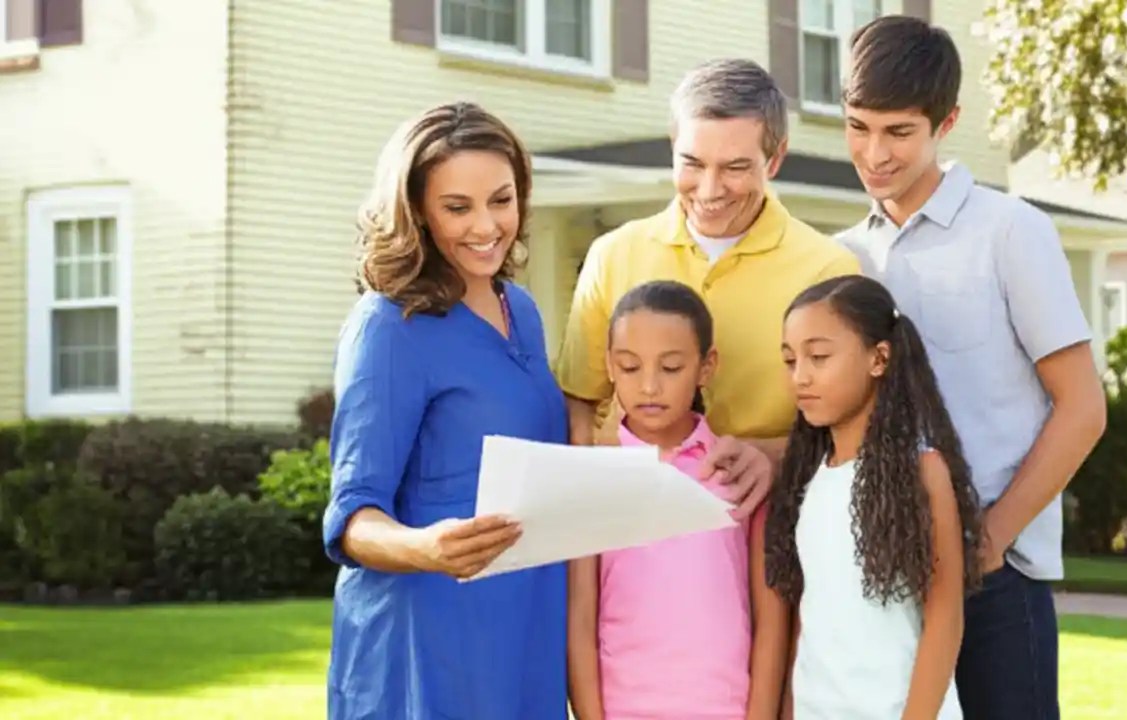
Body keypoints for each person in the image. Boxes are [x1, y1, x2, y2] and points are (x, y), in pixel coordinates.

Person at [834, 17, 1108, 719]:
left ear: (947, 122)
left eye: (899, 132)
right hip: (878, 582)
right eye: (859, 127)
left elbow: (1083, 407)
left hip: (996, 581)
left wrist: (991, 538)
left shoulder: (1012, 231)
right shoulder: (841, 258)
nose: (874, 153)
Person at [321, 102, 568, 719]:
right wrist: (423, 547)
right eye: (458, 207)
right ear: (418, 213)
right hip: (423, 635)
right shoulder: (388, 326)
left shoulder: (521, 310)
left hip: (522, 618)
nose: (486, 226)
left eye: (501, 200)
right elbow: (353, 515)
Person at [555, 58, 862, 520]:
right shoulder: (612, 254)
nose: (710, 189)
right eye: (692, 163)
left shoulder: (829, 270)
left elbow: (856, 423)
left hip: (772, 528)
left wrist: (773, 457)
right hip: (633, 526)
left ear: (776, 158)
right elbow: (580, 401)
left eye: (735, 167)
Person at [567, 280, 789, 720]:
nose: (649, 386)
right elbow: (580, 619)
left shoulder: (736, 473)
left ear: (706, 367)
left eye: (670, 368)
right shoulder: (593, 478)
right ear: (609, 365)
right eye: (630, 367)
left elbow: (771, 622)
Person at [767, 274, 983, 719]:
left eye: (819, 357)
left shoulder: (923, 472)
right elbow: (809, 619)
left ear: (879, 358)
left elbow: (945, 618)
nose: (800, 376)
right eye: (790, 360)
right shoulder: (806, 477)